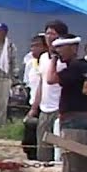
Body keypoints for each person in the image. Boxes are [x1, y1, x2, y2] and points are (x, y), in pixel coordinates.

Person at [28, 20, 68, 162]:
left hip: (60, 108)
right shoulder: (44, 57)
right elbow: (41, 83)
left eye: (53, 33)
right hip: (44, 108)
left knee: (59, 149)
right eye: (47, 33)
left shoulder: (65, 60)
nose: (49, 36)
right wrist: (34, 108)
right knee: (43, 148)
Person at [49, 33, 87, 132]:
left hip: (73, 118)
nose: (58, 51)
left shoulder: (76, 67)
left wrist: (54, 59)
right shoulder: (80, 65)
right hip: (78, 116)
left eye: (61, 47)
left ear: (73, 48)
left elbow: (51, 79)